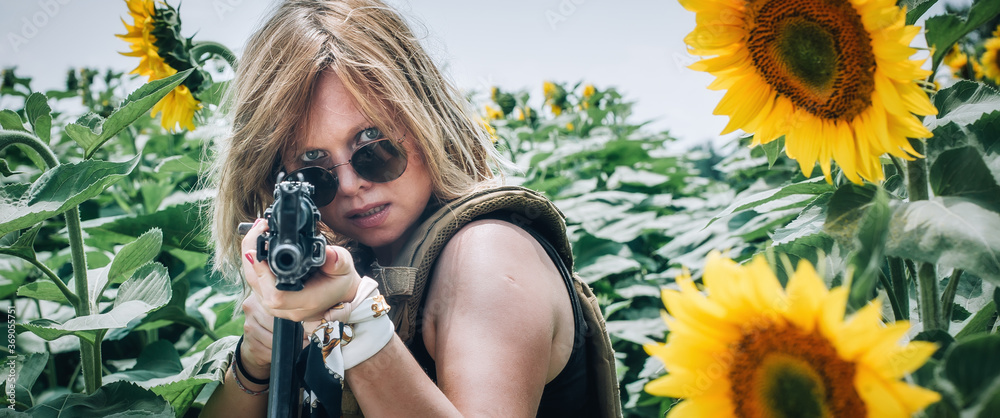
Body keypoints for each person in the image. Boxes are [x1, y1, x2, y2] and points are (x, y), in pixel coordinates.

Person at [200, 1, 619, 416]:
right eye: (314, 165)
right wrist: (256, 361)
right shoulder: (350, 264)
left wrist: (357, 321)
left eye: (372, 143)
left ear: (426, 120)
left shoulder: (486, 253)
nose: (350, 184)